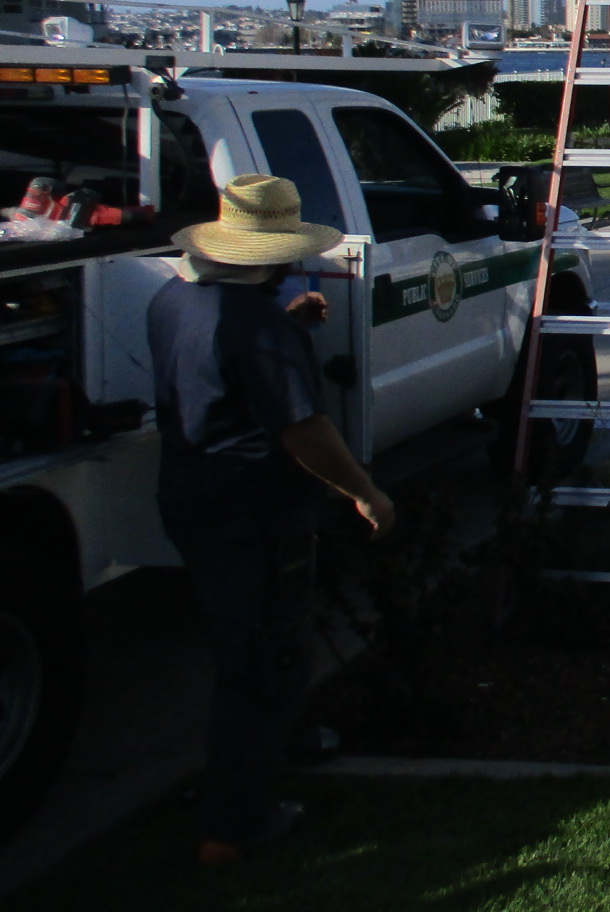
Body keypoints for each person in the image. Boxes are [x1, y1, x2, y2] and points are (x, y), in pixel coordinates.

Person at [148, 174, 395, 865]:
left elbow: (215, 370)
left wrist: (284, 329)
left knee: (236, 650)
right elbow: (303, 430)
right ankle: (235, 826)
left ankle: (244, 778)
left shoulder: (175, 301)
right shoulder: (258, 328)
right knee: (266, 663)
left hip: (192, 499)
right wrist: (364, 490)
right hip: (253, 511)